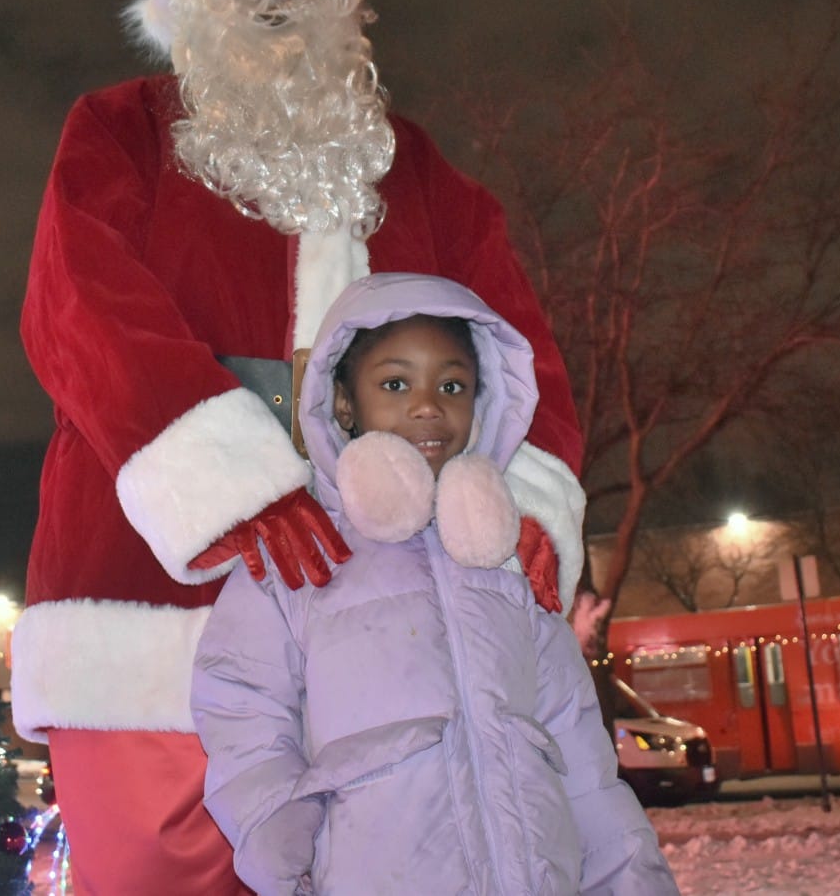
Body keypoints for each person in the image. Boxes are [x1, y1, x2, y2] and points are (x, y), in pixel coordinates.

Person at [11, 0, 588, 895]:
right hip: (151, 603)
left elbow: (513, 348)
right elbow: (80, 310)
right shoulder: (117, 133)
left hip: (378, 612)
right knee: (158, 873)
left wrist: (529, 500)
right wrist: (226, 479)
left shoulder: (411, 165)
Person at [193, 273, 679, 895]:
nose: (428, 405)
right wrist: (279, 833)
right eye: (396, 384)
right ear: (344, 402)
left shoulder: (505, 564)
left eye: (452, 385)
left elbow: (581, 756)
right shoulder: (302, 560)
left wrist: (633, 877)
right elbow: (241, 702)